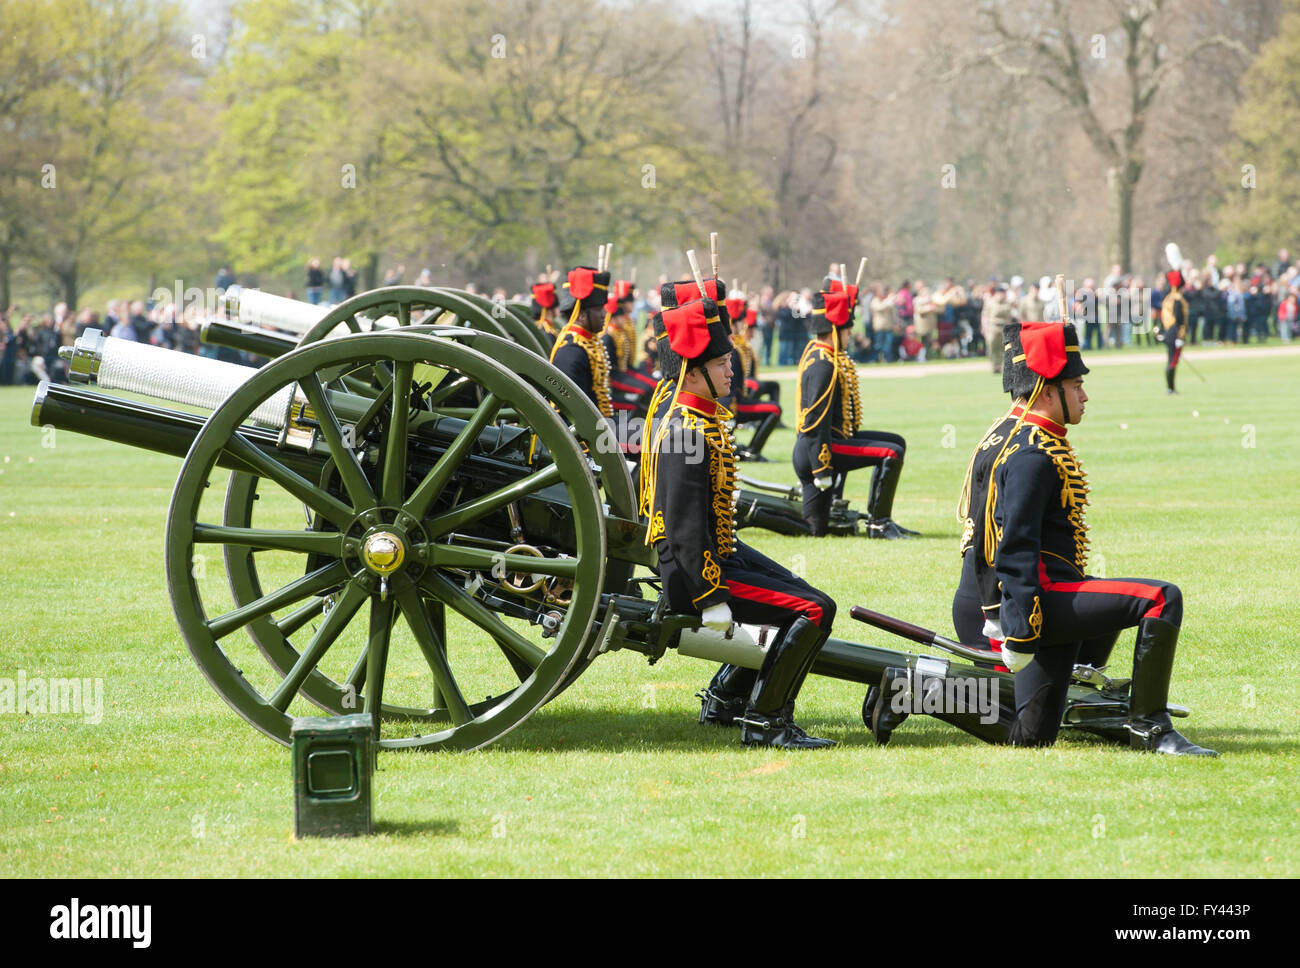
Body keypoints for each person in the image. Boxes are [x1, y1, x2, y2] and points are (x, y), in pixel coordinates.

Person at [981, 322, 1214, 755]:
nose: (1085, 395)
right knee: (1163, 598)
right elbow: (1013, 547)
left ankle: (915, 687)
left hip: (1038, 599)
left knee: (1032, 738)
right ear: (1047, 391)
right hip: (1041, 604)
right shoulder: (1033, 452)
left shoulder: (1033, 439)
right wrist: (1016, 630)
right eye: (1076, 385)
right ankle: (1150, 728)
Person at [642, 295, 836, 749]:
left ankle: (726, 697)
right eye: (722, 363)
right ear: (693, 372)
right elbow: (685, 528)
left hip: (713, 555)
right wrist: (710, 599)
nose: (733, 371)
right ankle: (766, 722)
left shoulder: (696, 417)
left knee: (801, 591)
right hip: (693, 575)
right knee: (814, 609)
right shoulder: (687, 431)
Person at [793, 283, 917, 539]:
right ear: (835, 331)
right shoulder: (824, 365)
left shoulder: (819, 354)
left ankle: (880, 519)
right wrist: (822, 469)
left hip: (828, 442)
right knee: (890, 453)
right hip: (819, 450)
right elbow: (816, 421)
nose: (851, 334)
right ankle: (878, 524)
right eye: (847, 330)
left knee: (896, 442)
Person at [549, 265, 613, 419]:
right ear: (582, 315)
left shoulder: (588, 342)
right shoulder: (571, 352)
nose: (605, 313)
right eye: (599, 309)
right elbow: (572, 415)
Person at [1157, 265, 1189, 394]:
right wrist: (1180, 337)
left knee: (1171, 361)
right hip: (1174, 334)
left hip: (1169, 333)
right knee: (1172, 362)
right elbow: (1179, 320)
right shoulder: (1177, 299)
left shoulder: (1168, 298)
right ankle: (1170, 388)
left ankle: (1171, 388)